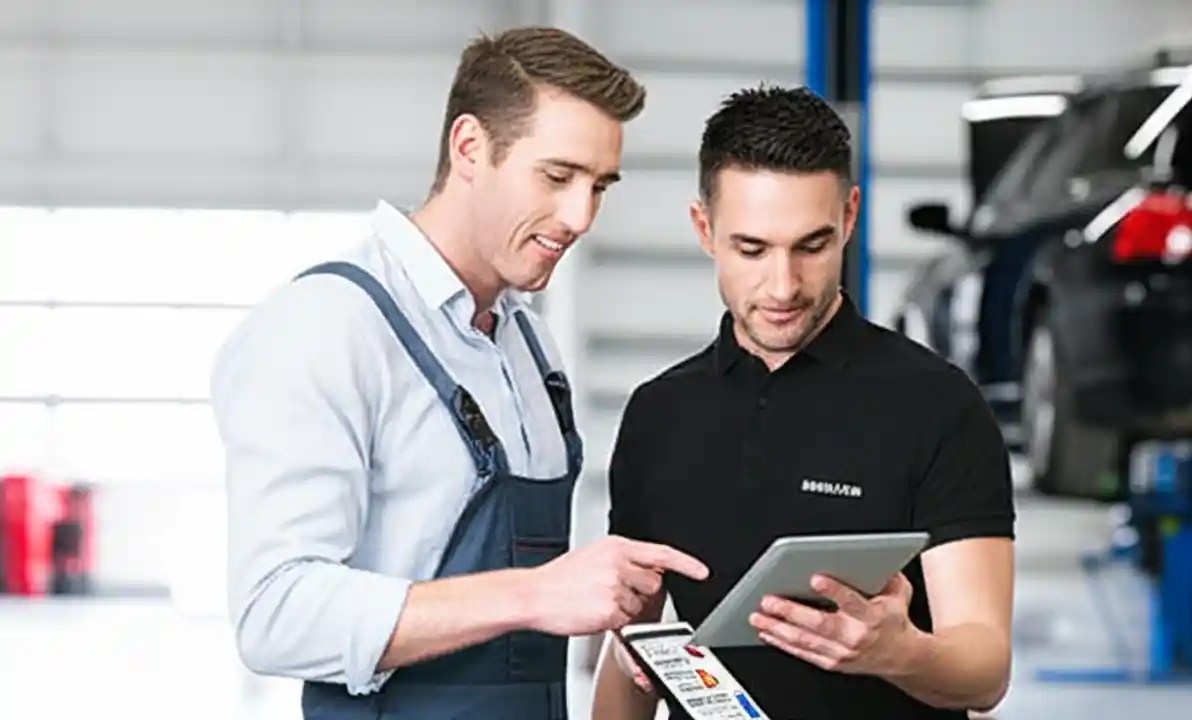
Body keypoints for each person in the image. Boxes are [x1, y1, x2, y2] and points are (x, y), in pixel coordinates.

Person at [210, 26, 708, 720]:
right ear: (470, 147)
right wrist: (535, 594)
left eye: (599, 186)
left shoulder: (530, 348)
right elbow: (274, 615)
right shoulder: (327, 328)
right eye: (557, 176)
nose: (580, 217)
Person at [590, 85, 1015, 720]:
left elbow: (984, 668)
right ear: (704, 229)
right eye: (752, 249)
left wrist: (897, 653)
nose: (783, 286)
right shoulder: (658, 415)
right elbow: (629, 651)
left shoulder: (939, 407)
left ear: (849, 217)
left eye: (812, 246)